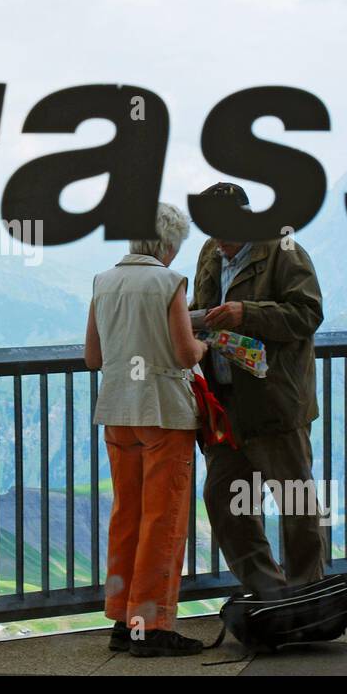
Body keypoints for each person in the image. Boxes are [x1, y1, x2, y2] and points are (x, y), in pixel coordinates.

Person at [189, 182, 327, 595]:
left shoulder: (283, 252)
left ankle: (307, 595)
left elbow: (307, 314)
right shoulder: (210, 255)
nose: (217, 238)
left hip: (275, 402)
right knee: (225, 500)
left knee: (296, 504)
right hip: (225, 404)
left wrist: (245, 314)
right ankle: (269, 591)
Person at [85, 202, 207, 657]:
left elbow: (94, 357)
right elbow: (184, 353)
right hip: (163, 413)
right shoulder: (168, 282)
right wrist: (205, 342)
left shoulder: (104, 281)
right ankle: (151, 627)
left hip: (116, 411)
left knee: (127, 516)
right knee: (163, 521)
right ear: (169, 244)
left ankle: (122, 619)